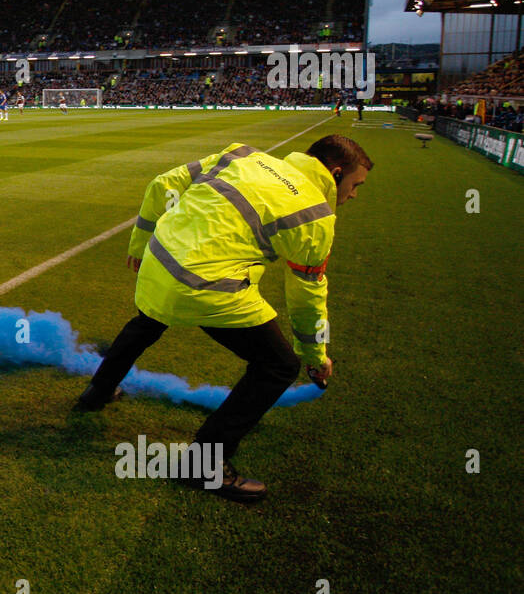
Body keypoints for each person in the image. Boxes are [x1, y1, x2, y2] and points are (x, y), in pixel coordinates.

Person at [73, 135, 373, 503]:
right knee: (279, 366)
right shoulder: (316, 215)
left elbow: (162, 184)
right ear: (336, 172)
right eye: (356, 185)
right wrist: (315, 357)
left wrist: (139, 244)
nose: (355, 195)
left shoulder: (242, 154)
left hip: (158, 261)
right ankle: (203, 463)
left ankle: (97, 391)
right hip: (205, 287)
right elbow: (306, 295)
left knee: (148, 321)